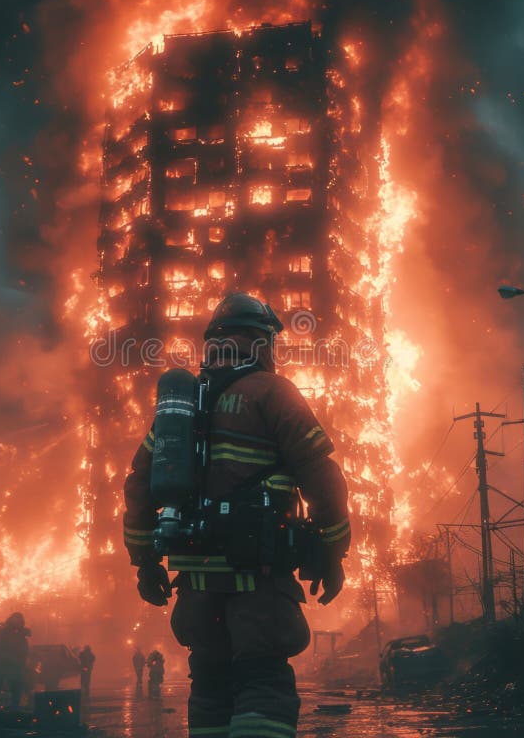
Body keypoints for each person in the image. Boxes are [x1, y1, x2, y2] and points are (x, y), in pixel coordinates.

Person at [124, 293, 351, 738]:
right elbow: (320, 473)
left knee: (210, 687)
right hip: (258, 583)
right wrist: (332, 549)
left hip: (195, 587)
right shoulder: (273, 392)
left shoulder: (181, 410)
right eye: (270, 341)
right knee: (263, 684)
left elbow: (139, 484)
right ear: (258, 341)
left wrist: (145, 561)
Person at [0, 611, 31, 707]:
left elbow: (23, 649)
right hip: (5, 662)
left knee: (15, 684)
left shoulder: (19, 633)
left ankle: (13, 705)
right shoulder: (5, 632)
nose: (17, 623)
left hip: (14, 663)